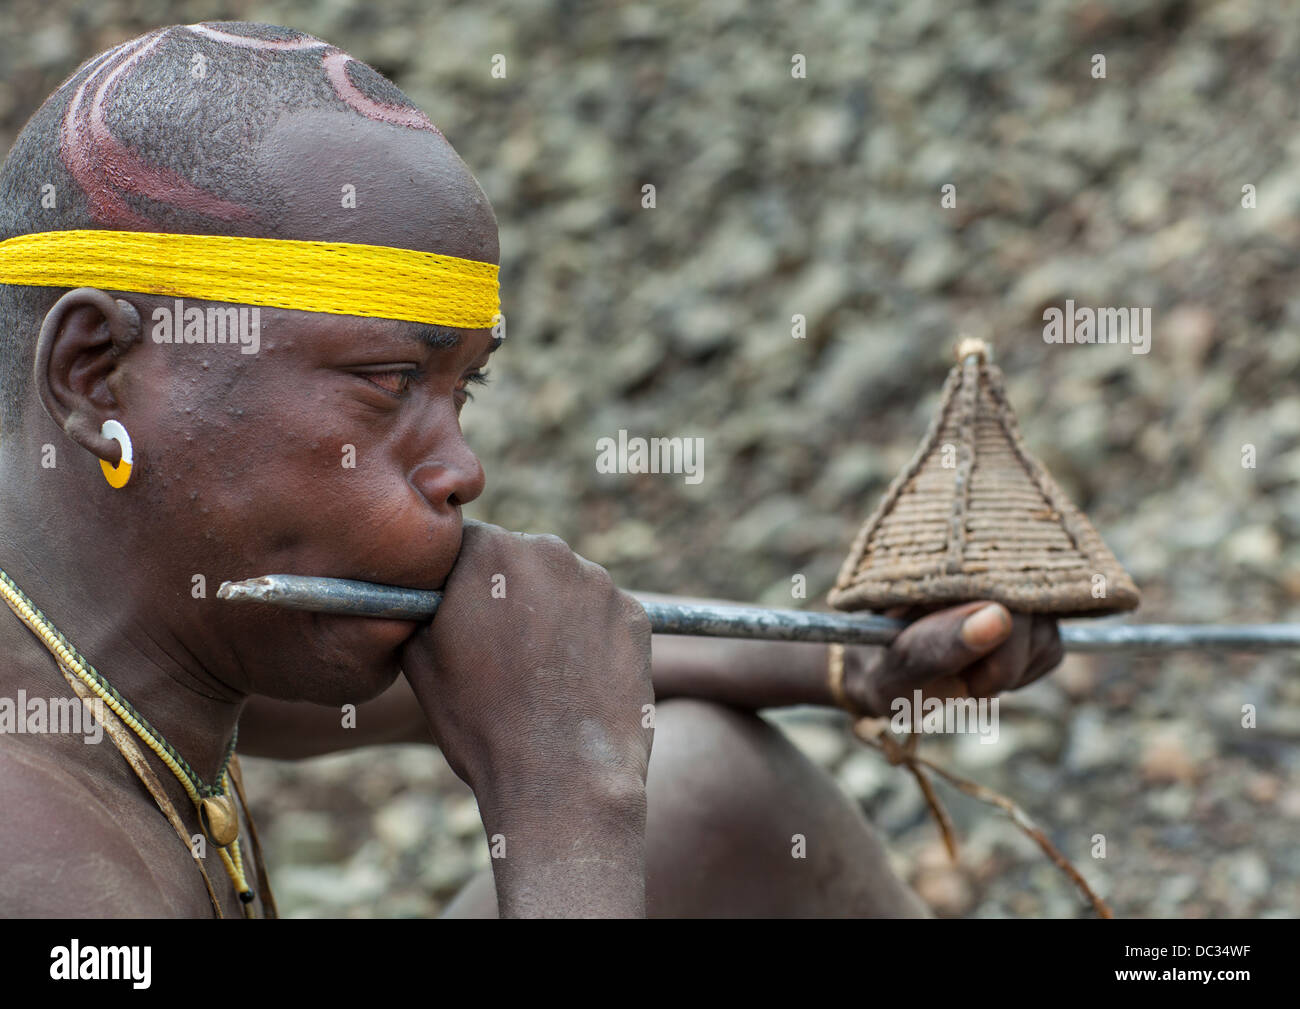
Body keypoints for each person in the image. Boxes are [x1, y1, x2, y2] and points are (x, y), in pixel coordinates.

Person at [0, 22, 1063, 918]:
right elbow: (540, 752)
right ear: (99, 376)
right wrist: (562, 813)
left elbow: (490, 674)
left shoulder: (128, 650)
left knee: (712, 792)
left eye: (463, 394)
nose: (460, 467)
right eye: (383, 382)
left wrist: (852, 662)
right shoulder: (40, 866)